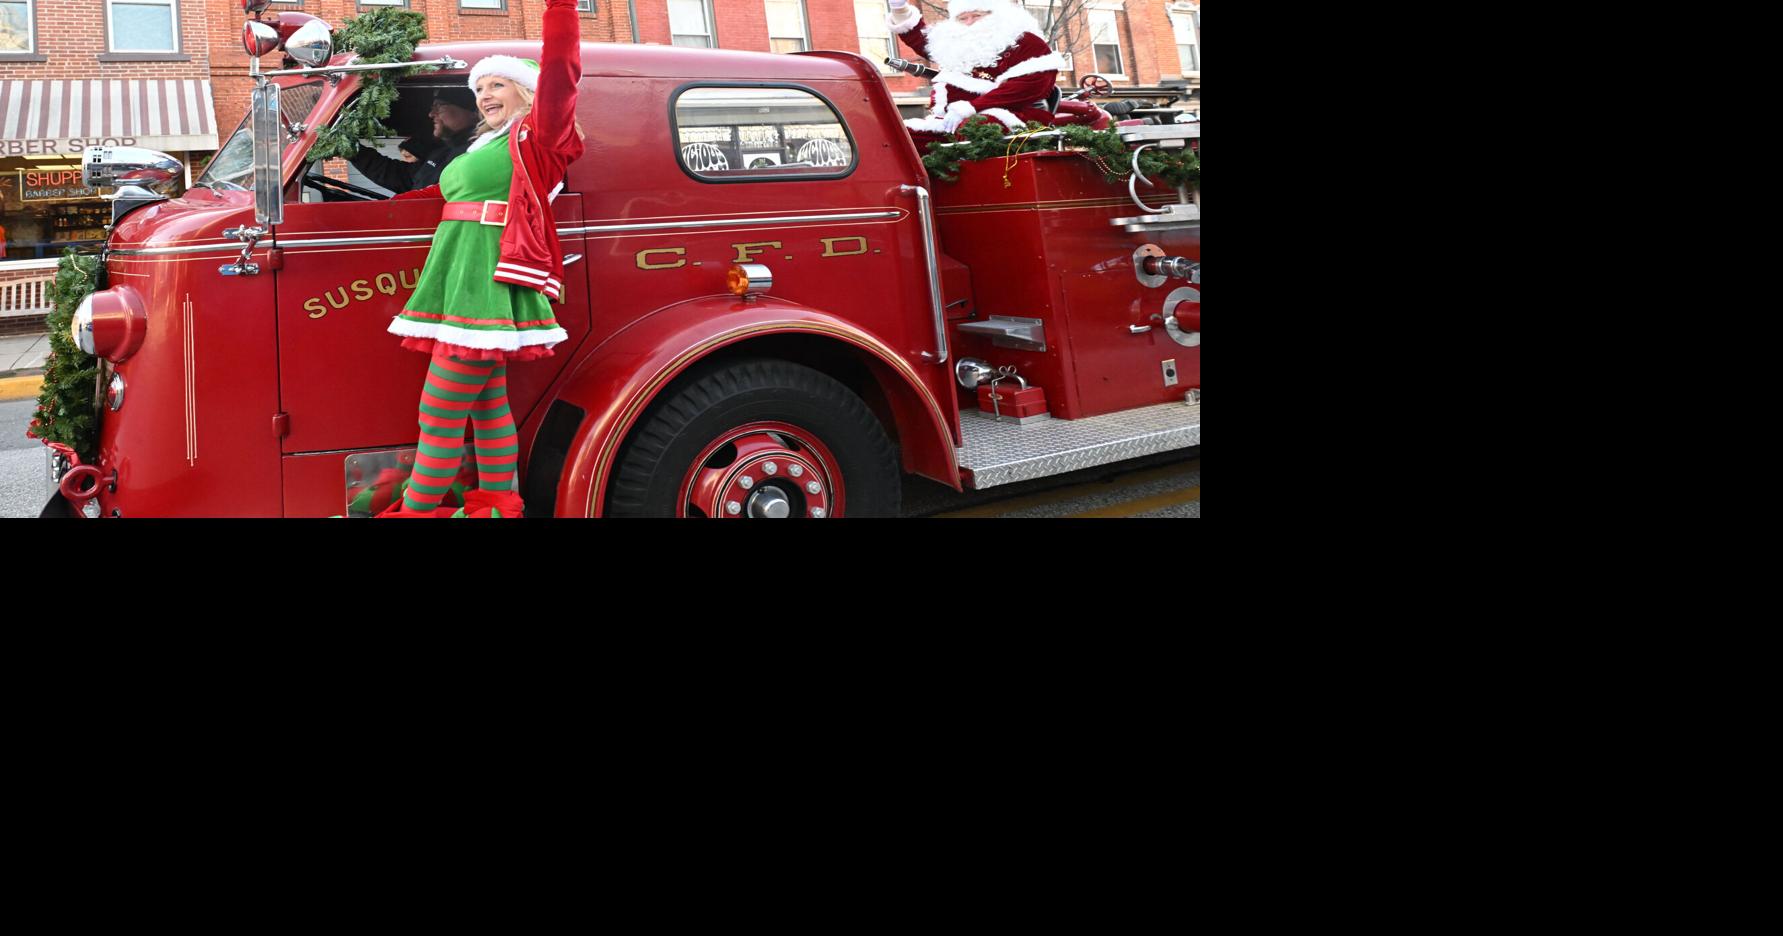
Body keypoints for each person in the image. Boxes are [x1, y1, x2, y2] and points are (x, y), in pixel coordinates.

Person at [375, 0, 584, 518]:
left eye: (497, 85)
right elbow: (439, 198)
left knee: (439, 413)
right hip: (461, 278)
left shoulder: (538, 138)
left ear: (527, 92)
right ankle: (498, 503)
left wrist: (559, 8)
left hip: (488, 280)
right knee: (488, 408)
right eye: (480, 88)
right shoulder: (480, 147)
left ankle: (416, 512)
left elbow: (562, 69)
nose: (484, 94)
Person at [888, 0, 1067, 145]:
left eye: (977, 16)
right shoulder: (957, 43)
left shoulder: (1026, 43)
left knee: (976, 127)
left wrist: (971, 108)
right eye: (963, 18)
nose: (969, 23)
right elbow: (923, 40)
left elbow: (1029, 86)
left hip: (1012, 116)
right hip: (950, 120)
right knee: (897, 137)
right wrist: (900, 10)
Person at [350, 88, 478, 194]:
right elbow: (402, 176)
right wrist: (353, 151)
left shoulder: (478, 153)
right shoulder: (441, 152)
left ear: (473, 112)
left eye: (439, 106)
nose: (431, 114)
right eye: (432, 107)